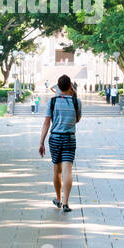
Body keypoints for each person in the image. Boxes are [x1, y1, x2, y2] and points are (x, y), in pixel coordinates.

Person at [39, 74, 81, 212]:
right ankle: (66, 203)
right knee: (68, 171)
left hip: (55, 138)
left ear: (58, 86)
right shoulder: (76, 102)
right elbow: (77, 120)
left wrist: (41, 142)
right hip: (70, 138)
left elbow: (46, 122)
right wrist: (74, 94)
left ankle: (58, 198)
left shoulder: (52, 102)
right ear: (70, 86)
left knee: (57, 170)